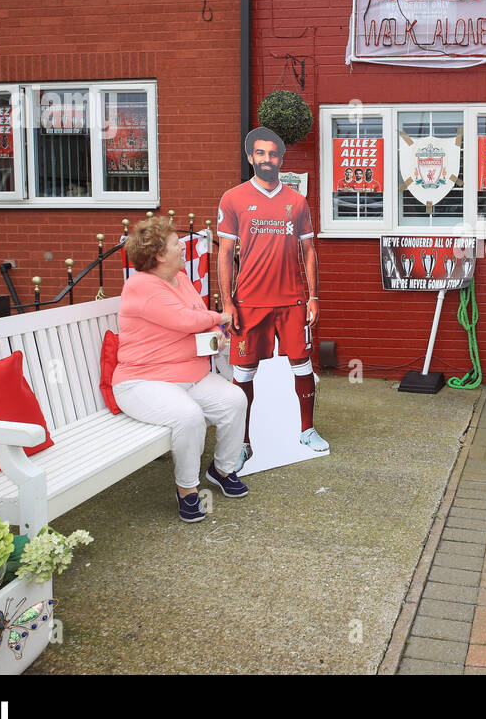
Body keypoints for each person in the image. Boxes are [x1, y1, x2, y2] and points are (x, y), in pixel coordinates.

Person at [113, 216, 248, 523]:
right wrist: (223, 317)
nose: (181, 246)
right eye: (175, 243)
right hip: (142, 381)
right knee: (188, 417)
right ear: (159, 254)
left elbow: (197, 317)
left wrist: (215, 334)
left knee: (235, 401)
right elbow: (186, 321)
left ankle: (222, 469)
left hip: (190, 375)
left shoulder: (181, 278)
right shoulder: (140, 286)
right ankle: (187, 490)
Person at [218, 127, 328, 461]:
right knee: (244, 371)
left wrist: (314, 296)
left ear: (281, 158)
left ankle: (306, 430)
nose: (268, 159)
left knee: (301, 364)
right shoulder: (233, 198)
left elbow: (309, 249)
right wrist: (227, 303)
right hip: (249, 301)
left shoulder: (296, 202)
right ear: (251, 157)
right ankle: (244, 441)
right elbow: (224, 254)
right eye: (261, 153)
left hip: (292, 300)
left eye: (274, 153)